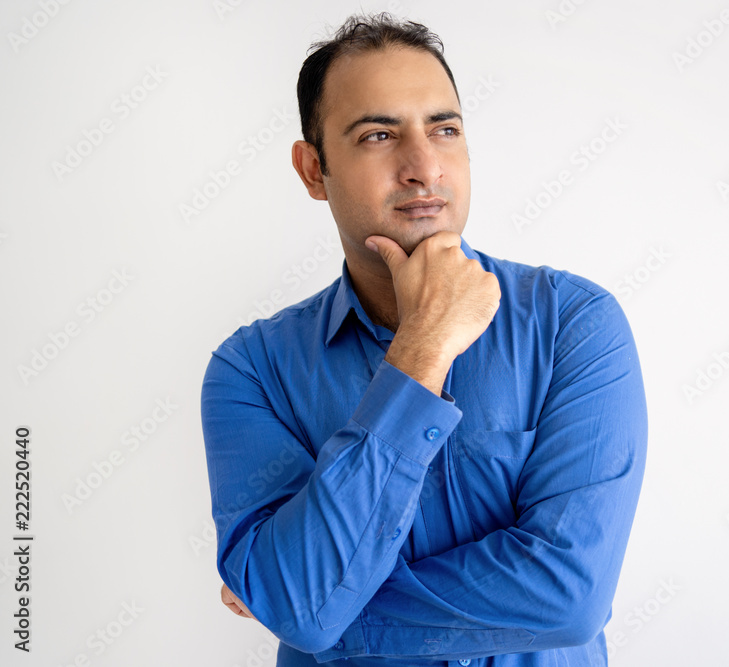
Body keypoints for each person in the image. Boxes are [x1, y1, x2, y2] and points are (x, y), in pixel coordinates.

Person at [201, 11, 647, 666]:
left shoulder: (574, 325)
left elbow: (568, 598)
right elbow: (299, 607)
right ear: (312, 169)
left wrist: (315, 602)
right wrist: (422, 350)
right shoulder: (251, 371)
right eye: (379, 134)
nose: (423, 166)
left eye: (443, 128)